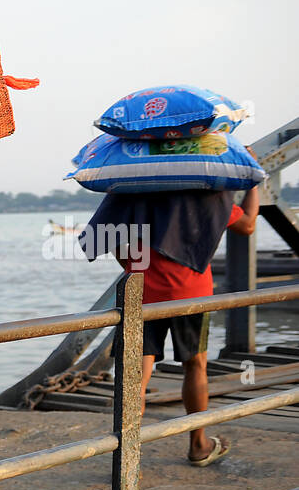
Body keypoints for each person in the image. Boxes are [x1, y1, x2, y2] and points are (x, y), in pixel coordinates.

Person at [82, 184, 259, 465]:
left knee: (136, 378)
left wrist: (133, 266)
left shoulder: (134, 186)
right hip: (191, 292)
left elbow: (109, 235)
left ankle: (127, 459)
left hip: (141, 292)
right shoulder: (207, 192)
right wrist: (253, 184)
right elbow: (247, 226)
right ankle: (199, 445)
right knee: (195, 365)